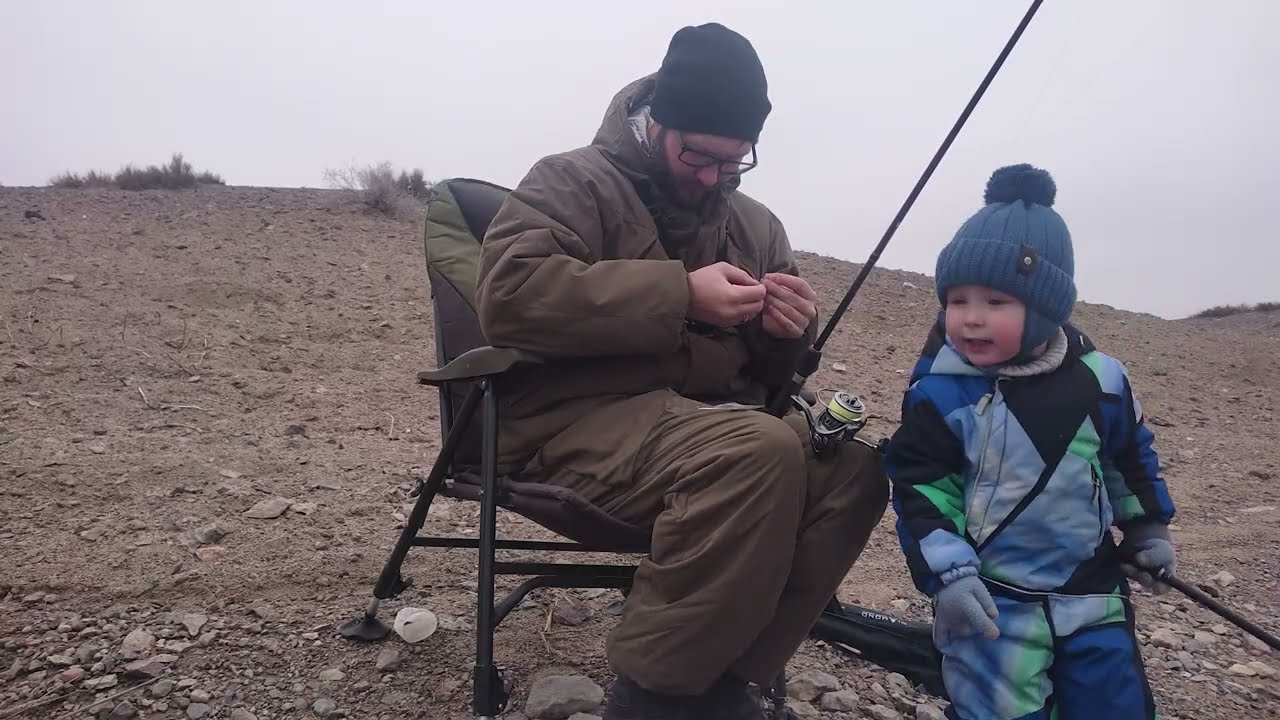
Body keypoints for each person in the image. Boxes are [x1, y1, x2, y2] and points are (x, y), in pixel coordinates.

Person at [474, 21, 889, 720]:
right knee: (755, 452)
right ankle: (657, 698)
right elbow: (509, 298)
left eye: (734, 162)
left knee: (856, 471)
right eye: (696, 155)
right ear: (656, 121)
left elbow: (778, 373)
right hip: (572, 421)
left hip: (704, 429)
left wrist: (786, 334)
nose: (712, 177)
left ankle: (728, 680)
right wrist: (678, 293)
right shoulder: (571, 182)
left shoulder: (757, 226)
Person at [885, 164, 1178, 719]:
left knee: (1115, 705)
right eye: (957, 300)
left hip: (1093, 591)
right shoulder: (941, 393)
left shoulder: (1103, 381)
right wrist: (950, 575)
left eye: (996, 303)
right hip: (993, 601)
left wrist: (1146, 529)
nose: (971, 319)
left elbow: (1128, 459)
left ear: (1045, 309)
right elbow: (922, 490)